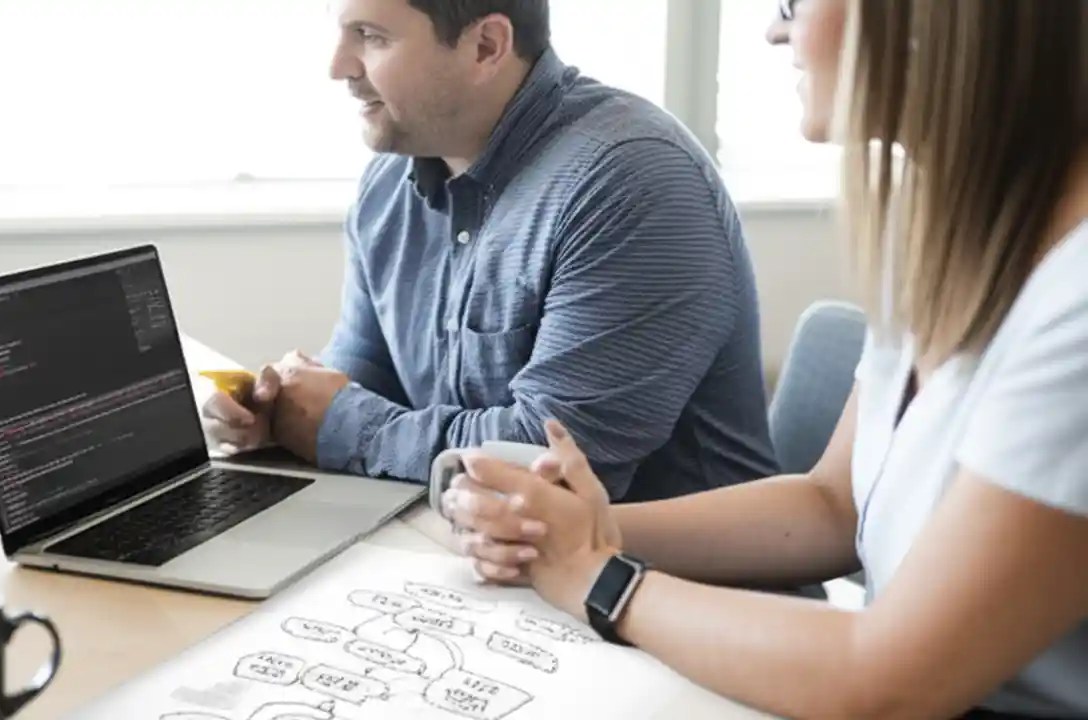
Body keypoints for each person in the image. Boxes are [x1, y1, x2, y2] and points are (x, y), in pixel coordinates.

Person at [446, 0, 1088, 717]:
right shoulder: (950, 235)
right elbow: (833, 506)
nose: (775, 29)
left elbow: (893, 681)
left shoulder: (1077, 297)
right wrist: (572, 529)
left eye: (795, 1)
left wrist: (601, 578)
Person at [201, 0, 778, 502]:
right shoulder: (388, 184)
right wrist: (278, 414)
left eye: (371, 37)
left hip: (670, 596)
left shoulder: (632, 180)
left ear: (486, 46)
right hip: (477, 564)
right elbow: (364, 381)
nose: (337, 68)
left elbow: (551, 467)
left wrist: (338, 425)